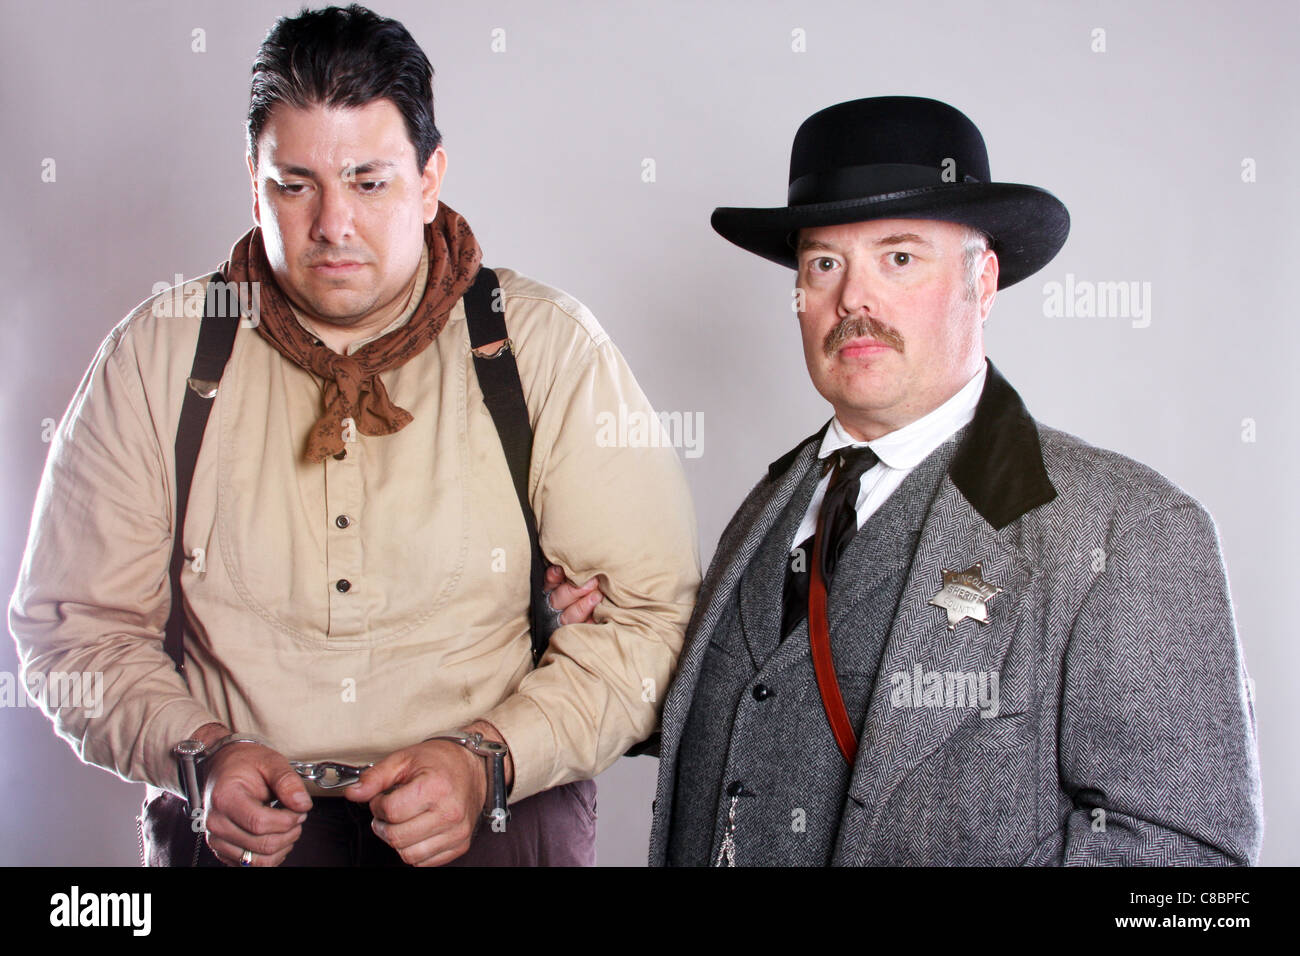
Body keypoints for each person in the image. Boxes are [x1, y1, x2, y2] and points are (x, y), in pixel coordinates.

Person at [9, 4, 700, 867]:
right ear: (250, 180)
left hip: (493, 827)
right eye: (293, 185)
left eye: (369, 182)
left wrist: (491, 757)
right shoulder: (160, 354)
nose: (332, 224)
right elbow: (76, 629)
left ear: (430, 176)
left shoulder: (545, 347)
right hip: (237, 839)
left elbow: (648, 620)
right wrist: (200, 756)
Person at [650, 96, 1262, 866]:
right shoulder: (768, 506)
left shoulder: (1129, 530)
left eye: (899, 257)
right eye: (824, 263)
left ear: (984, 281)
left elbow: (1187, 864)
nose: (853, 299)